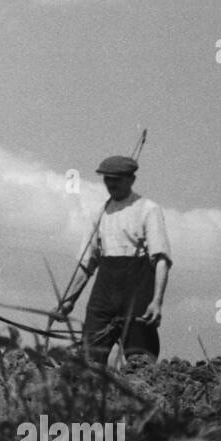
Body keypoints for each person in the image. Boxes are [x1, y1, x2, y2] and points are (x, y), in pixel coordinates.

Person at [54, 155, 171, 364]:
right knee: (90, 358)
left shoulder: (148, 209)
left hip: (137, 295)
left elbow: (161, 259)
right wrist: (68, 300)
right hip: (104, 294)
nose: (111, 184)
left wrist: (157, 301)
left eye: (116, 179)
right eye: (107, 179)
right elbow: (87, 263)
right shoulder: (98, 213)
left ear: (131, 179)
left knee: (140, 360)